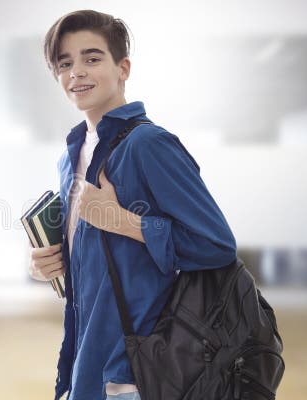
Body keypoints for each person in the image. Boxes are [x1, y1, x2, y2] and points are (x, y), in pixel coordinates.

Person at [28, 10, 238, 400]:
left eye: (92, 58)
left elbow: (216, 245)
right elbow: (103, 268)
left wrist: (122, 220)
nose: (77, 72)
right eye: (65, 63)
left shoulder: (148, 145)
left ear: (123, 68)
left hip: (133, 379)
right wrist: (50, 266)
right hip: (85, 371)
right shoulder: (70, 157)